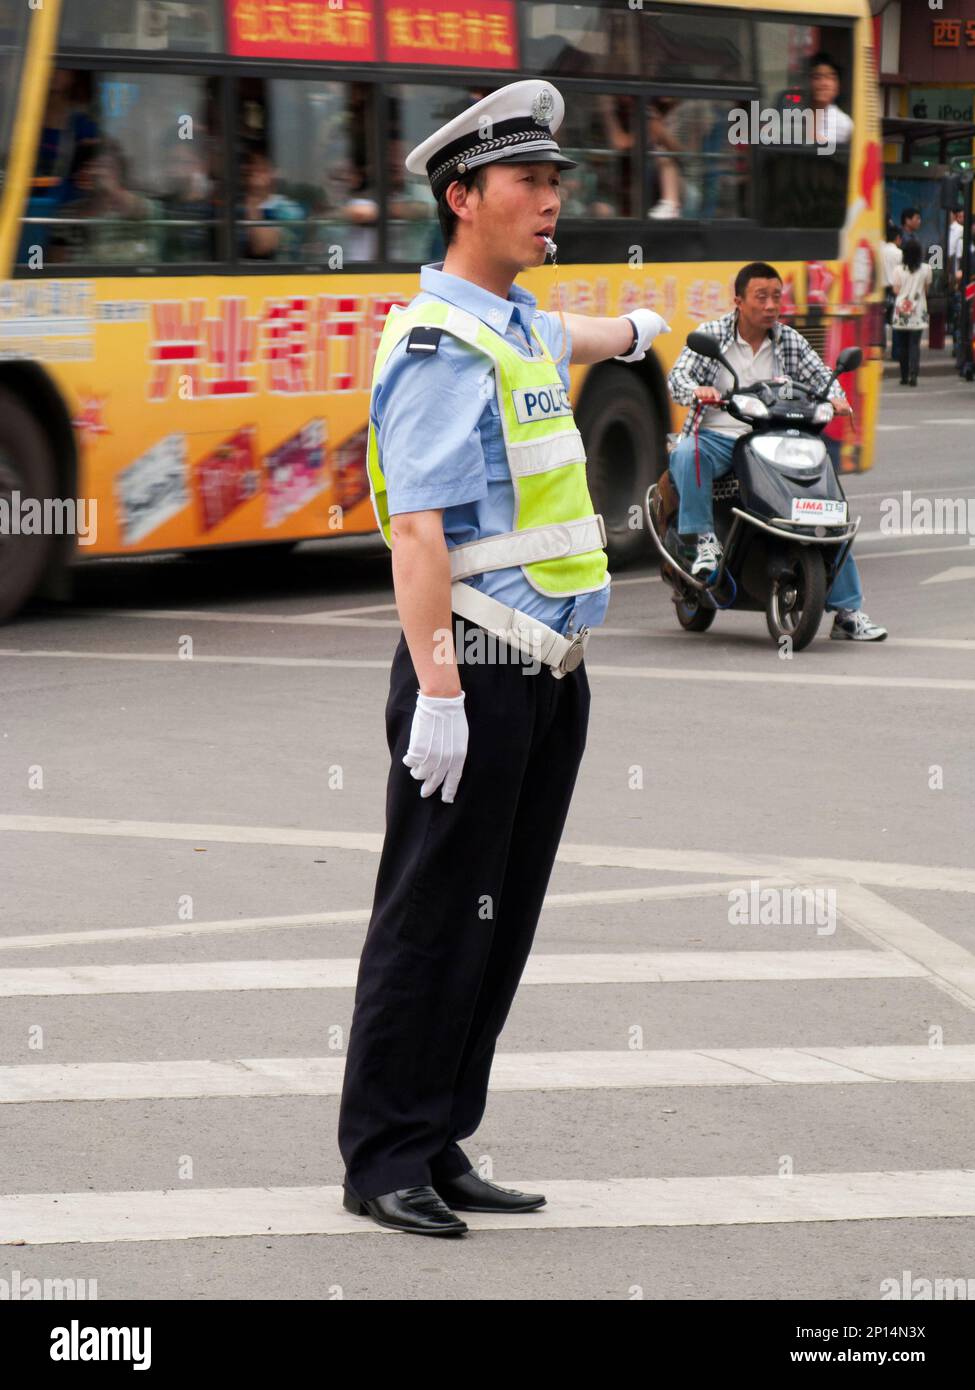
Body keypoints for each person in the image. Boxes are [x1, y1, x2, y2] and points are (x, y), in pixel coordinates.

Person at [336, 78, 669, 1237]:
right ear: (463, 196)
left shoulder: (517, 321)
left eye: (556, 182)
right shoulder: (436, 341)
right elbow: (418, 532)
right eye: (530, 183)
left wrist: (645, 332)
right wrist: (437, 692)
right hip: (471, 671)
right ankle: (383, 1155)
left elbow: (584, 334)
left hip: (551, 674)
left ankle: (439, 1134)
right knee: (432, 918)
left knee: (498, 917)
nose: (552, 202)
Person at [666, 261, 886, 641]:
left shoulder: (790, 340)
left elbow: (822, 378)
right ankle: (703, 544)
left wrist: (838, 399)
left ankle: (848, 612)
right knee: (688, 452)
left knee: (824, 504)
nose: (771, 305)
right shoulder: (712, 335)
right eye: (761, 297)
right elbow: (678, 377)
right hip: (723, 437)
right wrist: (697, 392)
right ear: (738, 300)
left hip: (778, 439)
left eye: (776, 297)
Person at [238, 148, 304, 260]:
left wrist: (254, 201)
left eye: (260, 169)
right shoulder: (236, 207)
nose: (254, 173)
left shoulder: (289, 210)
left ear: (273, 173)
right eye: (250, 168)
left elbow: (263, 247)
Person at [891, 237, 932, 387]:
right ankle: (914, 374)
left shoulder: (898, 270)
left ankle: (903, 376)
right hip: (918, 309)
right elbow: (926, 290)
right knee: (915, 344)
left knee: (902, 346)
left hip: (901, 310)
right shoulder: (926, 269)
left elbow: (896, 290)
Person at [808, 52, 853, 148]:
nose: (823, 83)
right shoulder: (793, 114)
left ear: (837, 86)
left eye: (829, 77)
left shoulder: (844, 123)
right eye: (817, 77)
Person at [880, 223, 903, 358]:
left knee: (881, 322)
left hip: (880, 290)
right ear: (897, 238)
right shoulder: (899, 253)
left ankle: (880, 350)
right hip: (894, 290)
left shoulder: (878, 250)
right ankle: (896, 353)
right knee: (895, 322)